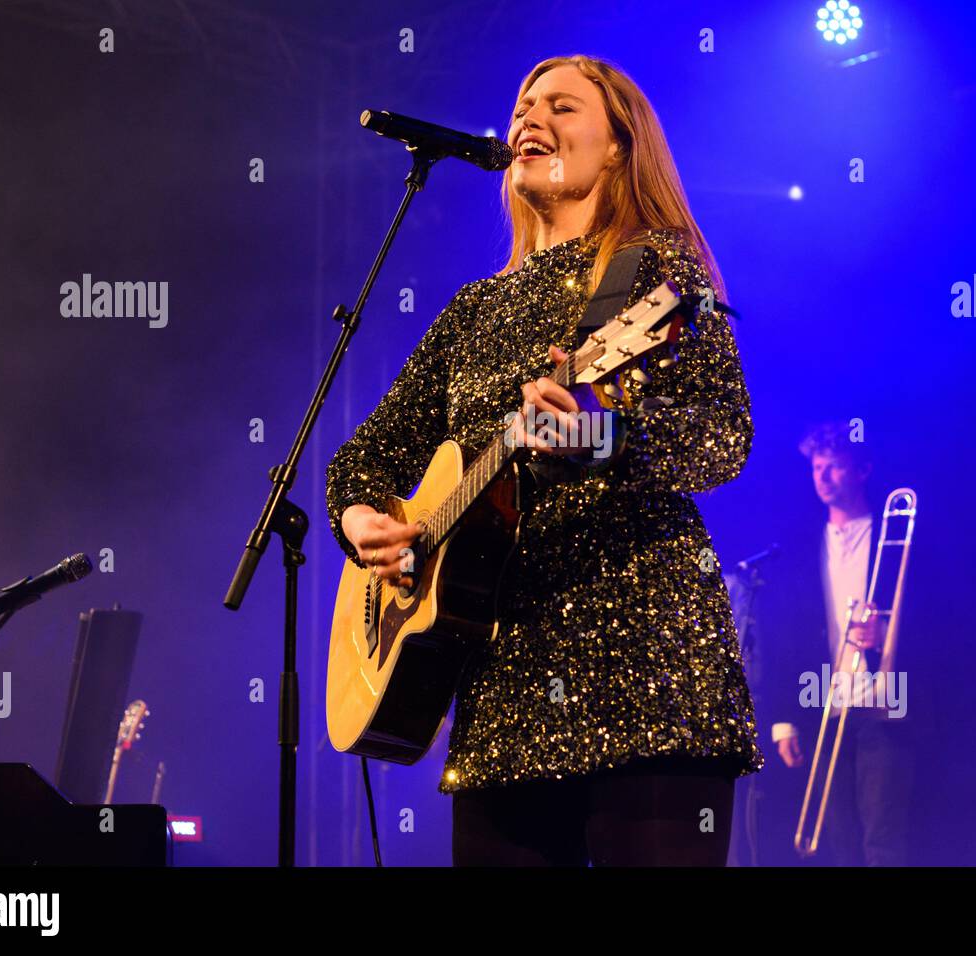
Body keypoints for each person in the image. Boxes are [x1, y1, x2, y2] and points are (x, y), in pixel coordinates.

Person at [325, 54, 763, 866]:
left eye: (562, 107)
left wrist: (600, 437)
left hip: (646, 668)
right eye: (524, 106)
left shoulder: (656, 266)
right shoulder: (475, 308)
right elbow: (366, 456)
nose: (531, 118)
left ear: (617, 148)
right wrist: (363, 520)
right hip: (499, 689)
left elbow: (718, 432)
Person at [770, 422, 915, 866]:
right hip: (823, 704)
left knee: (883, 837)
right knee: (837, 844)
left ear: (862, 470)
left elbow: (943, 619)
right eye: (817, 467)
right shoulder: (801, 545)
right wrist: (784, 722)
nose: (823, 477)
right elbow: (787, 633)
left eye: (834, 466)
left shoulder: (893, 532)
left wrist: (889, 635)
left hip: (882, 703)